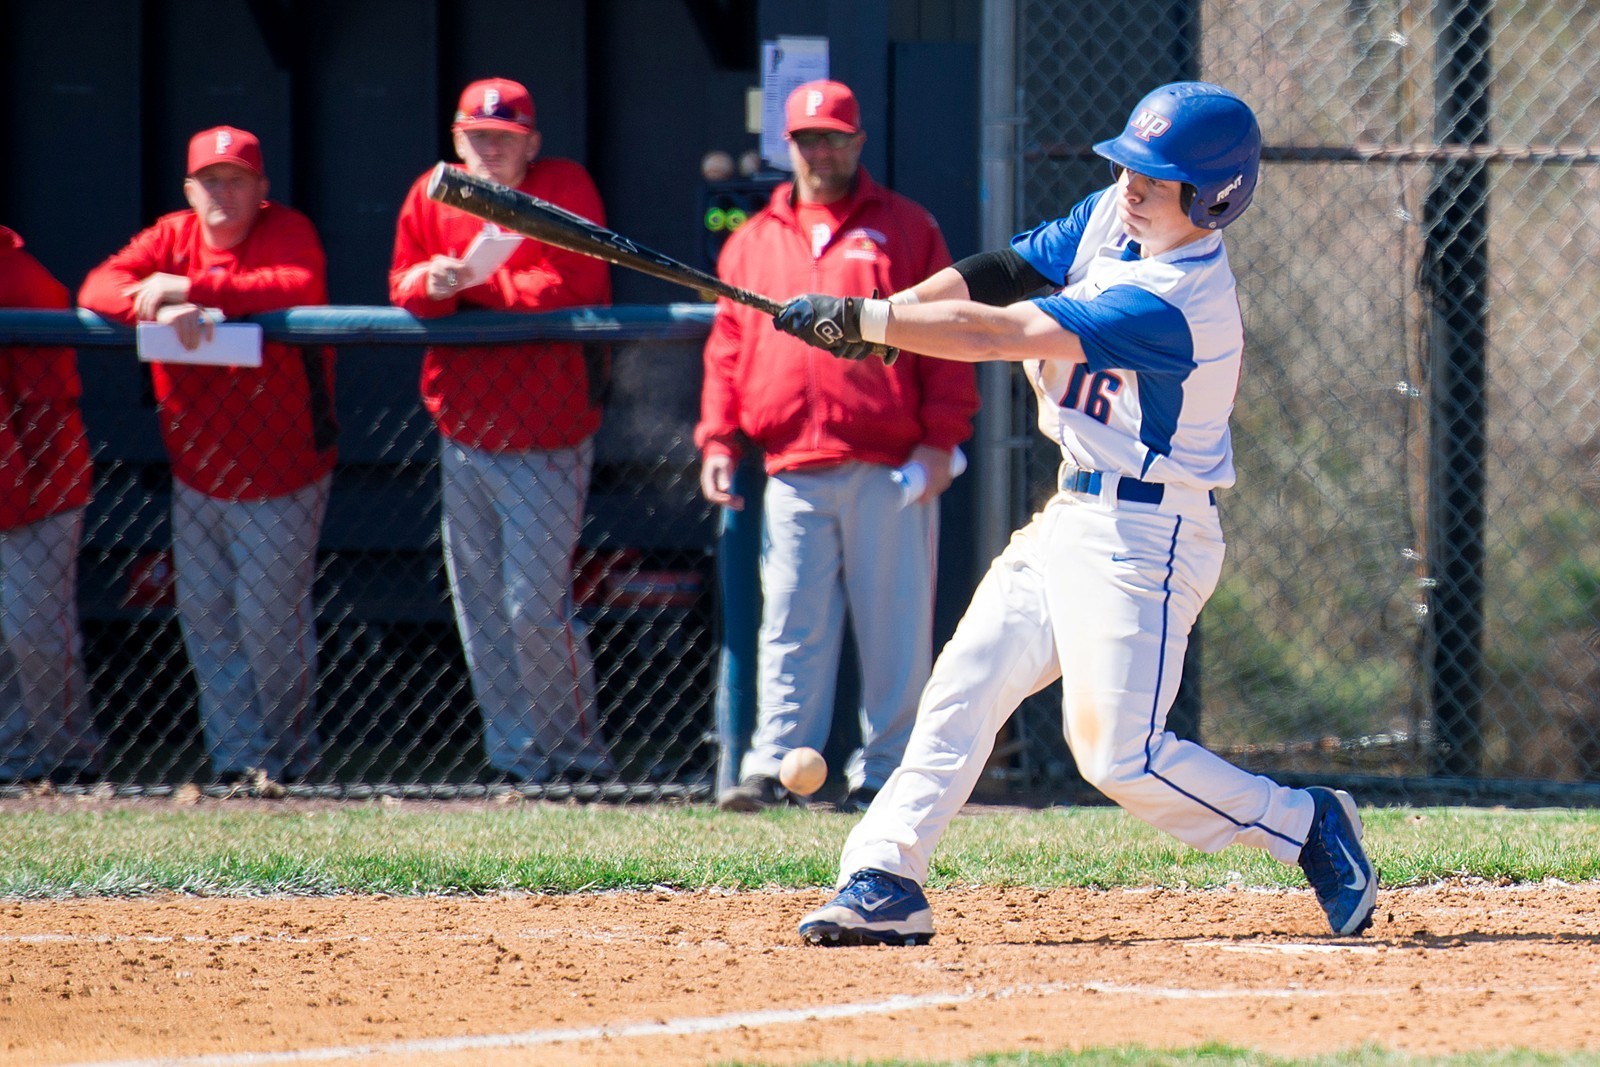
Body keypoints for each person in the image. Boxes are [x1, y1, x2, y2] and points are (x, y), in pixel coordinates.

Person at [774, 82, 1378, 941]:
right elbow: (1003, 272)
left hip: (1149, 538)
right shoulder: (1113, 217)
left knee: (1117, 757)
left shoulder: (1178, 298)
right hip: (1070, 510)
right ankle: (885, 874)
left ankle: (1306, 823)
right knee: (965, 682)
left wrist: (869, 317)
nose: (1131, 184)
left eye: (1156, 176)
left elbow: (1003, 332)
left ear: (1213, 197)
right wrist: (893, 317)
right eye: (1129, 163)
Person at [697, 80, 979, 813]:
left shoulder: (906, 227)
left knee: (895, 630)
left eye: (834, 137)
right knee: (789, 622)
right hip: (790, 465)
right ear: (788, 147)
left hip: (889, 465)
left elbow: (948, 335)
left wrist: (942, 443)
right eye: (807, 139)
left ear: (858, 142)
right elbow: (729, 350)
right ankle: (769, 767)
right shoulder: (753, 240)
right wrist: (718, 437)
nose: (821, 151)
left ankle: (888, 770)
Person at [79, 126, 337, 789]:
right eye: (211, 181)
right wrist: (153, 299)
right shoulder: (170, 234)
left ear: (262, 190)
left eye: (237, 180)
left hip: (282, 472)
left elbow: (295, 283)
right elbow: (96, 289)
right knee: (209, 620)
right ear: (190, 190)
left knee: (270, 622)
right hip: (198, 469)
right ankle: (239, 763)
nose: (224, 193)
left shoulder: (286, 229)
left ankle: (290, 761)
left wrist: (193, 291)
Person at [390, 77, 613, 785]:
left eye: (505, 138)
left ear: (531, 143)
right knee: (482, 608)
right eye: (479, 137)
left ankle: (576, 759)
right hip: (464, 428)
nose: (490, 149)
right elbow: (401, 286)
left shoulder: (563, 184)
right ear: (457, 140)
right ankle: (517, 758)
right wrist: (432, 282)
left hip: (547, 432)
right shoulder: (433, 192)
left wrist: (473, 288)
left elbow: (573, 283)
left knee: (533, 607)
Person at [0, 226, 101, 787]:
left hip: (39, 484)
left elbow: (44, 420)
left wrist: (29, 495)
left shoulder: (22, 278)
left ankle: (69, 759)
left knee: (31, 629)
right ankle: (12, 759)